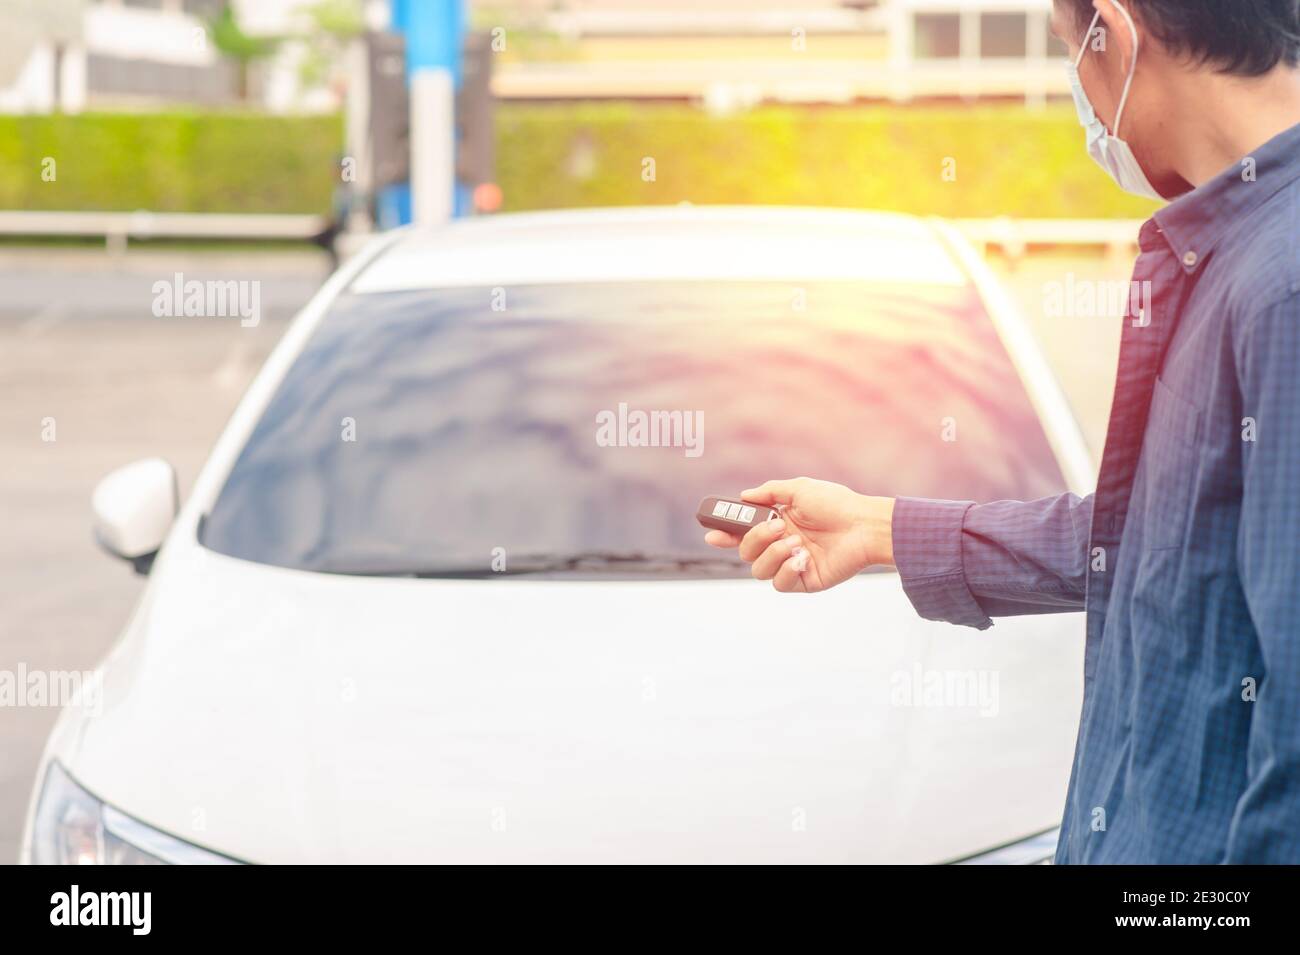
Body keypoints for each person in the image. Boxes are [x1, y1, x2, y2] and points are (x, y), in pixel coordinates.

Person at [707, 0, 1300, 864]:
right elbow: (1148, 546)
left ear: (1115, 31)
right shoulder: (1231, 249)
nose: (1082, 99)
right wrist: (876, 527)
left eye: (1070, 52)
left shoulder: (1281, 287)